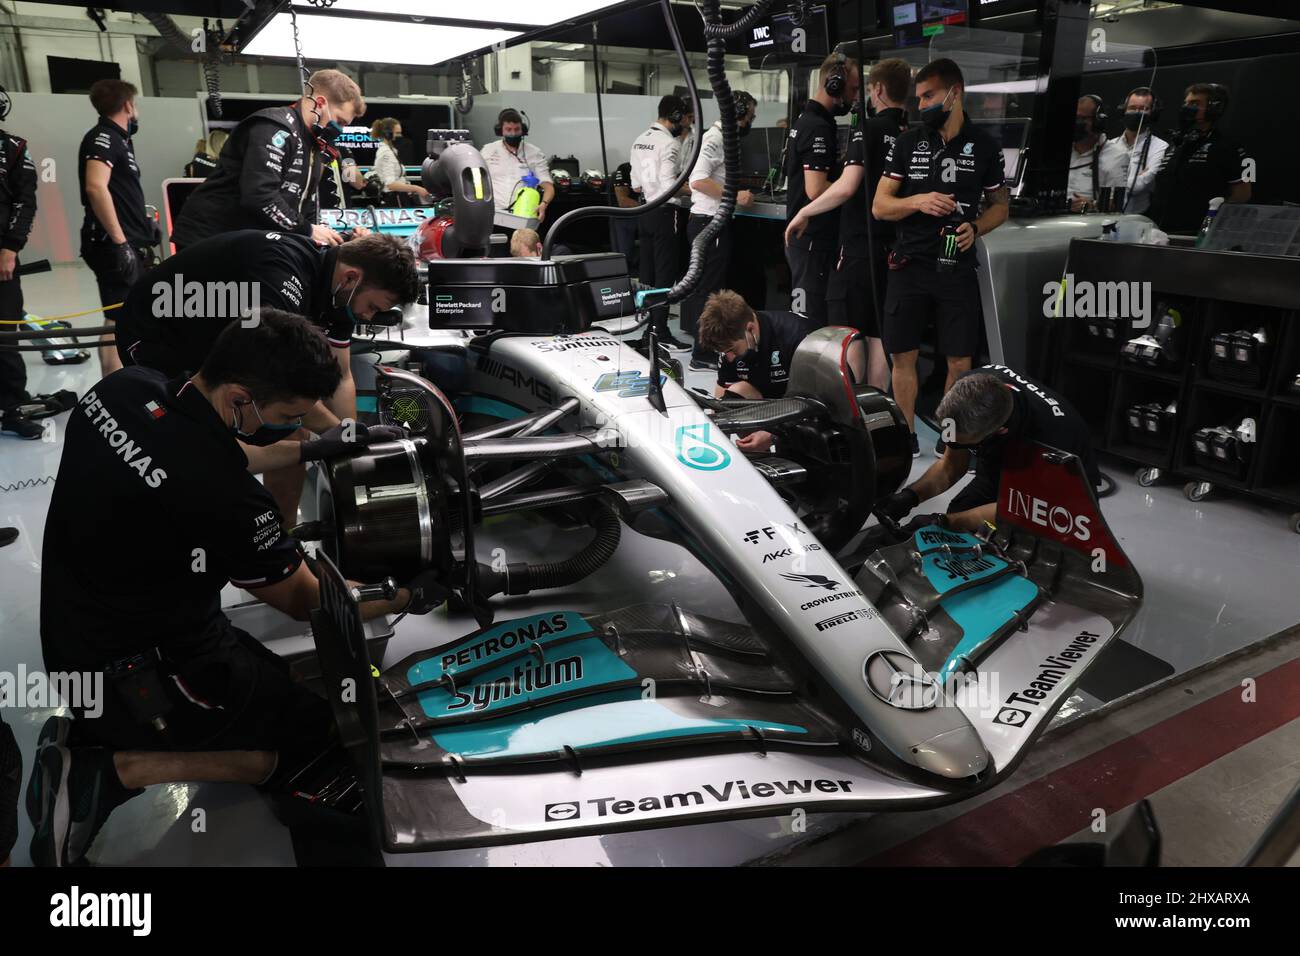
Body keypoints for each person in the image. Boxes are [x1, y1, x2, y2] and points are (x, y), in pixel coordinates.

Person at [29, 311, 411, 867]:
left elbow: (212, 455)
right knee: (328, 738)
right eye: (289, 417)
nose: (294, 427)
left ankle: (109, 746)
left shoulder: (123, 390)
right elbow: (310, 603)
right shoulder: (227, 500)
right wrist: (407, 592)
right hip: (148, 675)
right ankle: (106, 771)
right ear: (239, 398)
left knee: (278, 685)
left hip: (72, 634)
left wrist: (315, 448)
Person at [114, 229, 418, 522]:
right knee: (215, 430)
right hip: (157, 333)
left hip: (216, 332)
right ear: (351, 277)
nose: (369, 316)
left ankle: (282, 533)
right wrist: (336, 436)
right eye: (372, 307)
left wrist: (349, 435)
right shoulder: (279, 276)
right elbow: (277, 378)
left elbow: (341, 376)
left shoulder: (342, 293)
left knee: (287, 427)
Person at [873, 57, 1009, 458]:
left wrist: (977, 227)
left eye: (929, 95)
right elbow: (880, 206)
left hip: (956, 264)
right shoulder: (908, 142)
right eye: (918, 97)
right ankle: (906, 436)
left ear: (955, 92)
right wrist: (916, 200)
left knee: (959, 361)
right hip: (909, 263)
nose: (922, 104)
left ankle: (951, 438)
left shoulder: (984, 145)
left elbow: (1001, 207)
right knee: (903, 356)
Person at [786, 57, 912, 392]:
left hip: (855, 251)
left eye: (864, 89)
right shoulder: (912, 134)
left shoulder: (866, 128)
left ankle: (852, 420)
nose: (860, 97)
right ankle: (877, 418)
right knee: (877, 338)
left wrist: (804, 212)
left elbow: (843, 187)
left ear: (878, 89)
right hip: (895, 253)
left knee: (848, 336)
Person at [874, 364, 1099, 534]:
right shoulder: (967, 391)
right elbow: (951, 466)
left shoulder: (1055, 436)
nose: (953, 442)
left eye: (964, 442)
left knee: (1002, 545)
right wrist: (910, 497)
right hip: (1001, 465)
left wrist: (944, 522)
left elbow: (1027, 511)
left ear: (999, 431)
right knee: (954, 525)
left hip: (1060, 496)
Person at [171, 69, 365, 250]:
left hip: (246, 241)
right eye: (339, 121)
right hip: (209, 239)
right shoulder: (274, 128)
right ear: (320, 103)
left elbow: (303, 208)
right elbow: (260, 197)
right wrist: (308, 230)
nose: (339, 129)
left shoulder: (312, 144)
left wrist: (341, 239)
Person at [79, 79, 155, 377]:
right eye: (134, 104)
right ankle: (113, 387)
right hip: (112, 246)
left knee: (125, 317)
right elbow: (96, 188)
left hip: (126, 242)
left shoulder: (120, 140)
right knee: (116, 319)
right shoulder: (104, 137)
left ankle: (126, 380)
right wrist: (121, 242)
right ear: (127, 105)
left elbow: (121, 193)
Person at [680, 90, 758, 371]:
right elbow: (699, 180)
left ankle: (707, 349)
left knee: (709, 287)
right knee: (707, 291)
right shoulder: (714, 138)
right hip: (708, 222)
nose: (752, 120)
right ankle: (701, 354)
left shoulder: (722, 137)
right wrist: (735, 195)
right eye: (750, 114)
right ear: (739, 112)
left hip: (711, 221)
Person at [695, 289, 821, 456]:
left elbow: (817, 403)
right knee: (732, 398)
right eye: (725, 353)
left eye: (732, 350)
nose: (730, 358)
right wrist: (716, 439)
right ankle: (757, 460)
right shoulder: (730, 345)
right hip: (771, 399)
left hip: (809, 406)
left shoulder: (798, 338)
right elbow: (720, 399)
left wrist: (773, 436)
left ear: (751, 329)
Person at [784, 52, 860, 324]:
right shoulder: (817, 127)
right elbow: (816, 189)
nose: (854, 98)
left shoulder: (807, 119)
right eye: (852, 89)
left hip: (807, 239)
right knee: (808, 319)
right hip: (812, 239)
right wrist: (850, 191)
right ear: (834, 85)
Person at [630, 95, 693, 352]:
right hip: (666, 213)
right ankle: (662, 332)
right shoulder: (670, 144)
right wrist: (694, 189)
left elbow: (635, 185)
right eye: (687, 119)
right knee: (666, 275)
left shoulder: (640, 139)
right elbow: (670, 186)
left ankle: (649, 330)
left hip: (644, 210)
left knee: (648, 274)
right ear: (676, 116)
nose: (688, 125)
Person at [1149, 82, 1250, 235]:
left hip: (1197, 234)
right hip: (1160, 232)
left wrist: (1213, 225)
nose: (1187, 108)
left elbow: (1242, 194)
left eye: (1195, 103)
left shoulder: (1228, 146)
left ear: (1213, 108)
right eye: (1186, 103)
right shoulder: (1177, 143)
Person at [1, 94, 40, 439]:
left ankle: (10, 407)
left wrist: (10, 248)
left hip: (1, 259)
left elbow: (25, 201)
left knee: (6, 332)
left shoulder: (13, 147)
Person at [1098, 87, 1168, 215]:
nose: (1137, 112)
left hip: (1137, 220)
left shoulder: (1161, 147)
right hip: (1102, 216)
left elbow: (1139, 186)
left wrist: (1111, 187)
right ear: (1123, 110)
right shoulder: (1108, 145)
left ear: (1153, 113)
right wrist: (1137, 177)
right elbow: (1097, 183)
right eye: (1132, 108)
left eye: (1143, 109)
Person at [481, 108, 555, 222]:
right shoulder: (488, 150)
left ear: (523, 130)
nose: (513, 133)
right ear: (501, 130)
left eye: (517, 129)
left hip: (523, 214)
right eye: (508, 129)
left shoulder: (534, 153)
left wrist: (544, 205)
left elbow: (548, 187)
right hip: (493, 213)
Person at [368, 117, 431, 205]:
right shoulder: (386, 153)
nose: (400, 136)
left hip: (399, 197)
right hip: (394, 199)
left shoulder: (392, 151)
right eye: (397, 133)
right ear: (387, 134)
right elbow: (391, 184)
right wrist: (417, 188)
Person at [1068, 94, 1107, 213]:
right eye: (1075, 118)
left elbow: (1118, 204)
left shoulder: (1116, 155)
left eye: (1083, 118)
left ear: (1098, 122)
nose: (1077, 123)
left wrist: (1092, 206)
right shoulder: (1057, 151)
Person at [609, 160, 640, 272]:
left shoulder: (660, 166)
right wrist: (647, 206)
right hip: (629, 215)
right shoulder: (625, 168)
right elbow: (623, 201)